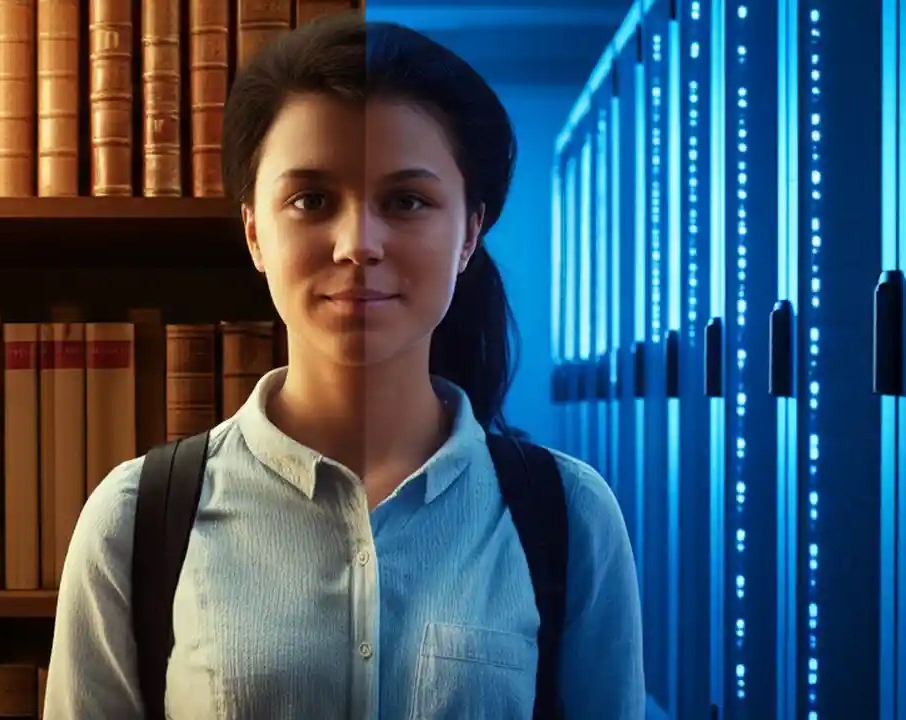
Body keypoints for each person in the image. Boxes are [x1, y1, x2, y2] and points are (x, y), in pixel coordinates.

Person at [44, 11, 643, 719]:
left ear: (469, 233)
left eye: (407, 201)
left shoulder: (570, 516)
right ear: (254, 232)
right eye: (312, 200)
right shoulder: (133, 520)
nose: (358, 244)